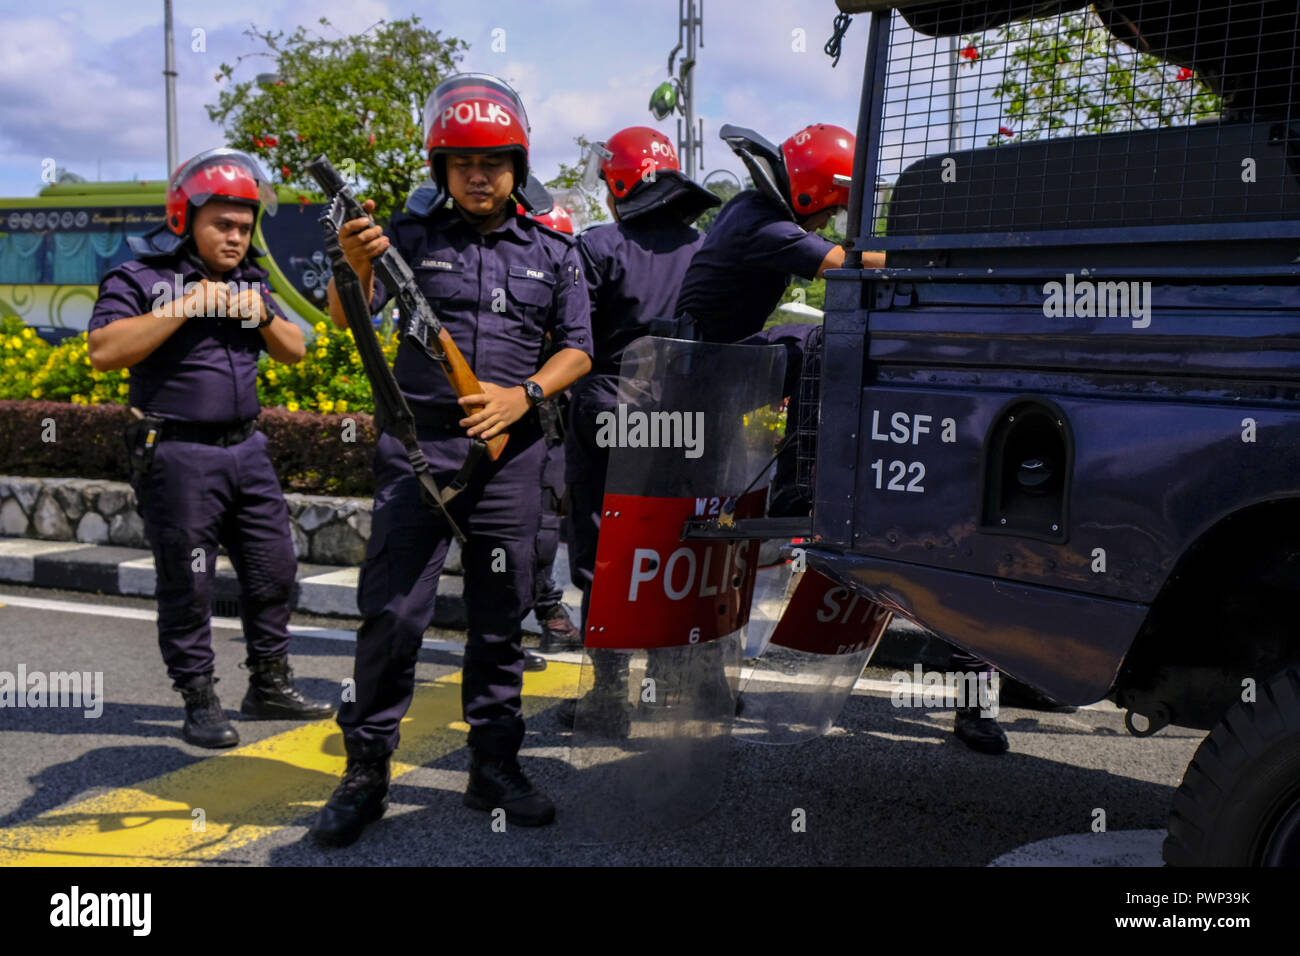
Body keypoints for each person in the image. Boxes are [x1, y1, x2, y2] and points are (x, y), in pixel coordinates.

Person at [311, 73, 593, 847]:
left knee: (500, 619)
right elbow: (349, 319)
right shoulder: (405, 235)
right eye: (462, 161)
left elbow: (579, 350)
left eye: (495, 161)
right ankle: (365, 772)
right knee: (394, 614)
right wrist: (355, 259)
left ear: (517, 165)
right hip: (420, 449)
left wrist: (520, 395)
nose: (479, 174)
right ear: (440, 167)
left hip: (511, 451)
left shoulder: (553, 248)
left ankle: (493, 766)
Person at [676, 122, 1006, 753]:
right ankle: (802, 480)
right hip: (716, 373)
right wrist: (938, 264)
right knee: (813, 341)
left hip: (727, 370)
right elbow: (843, 266)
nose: (831, 217)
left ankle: (975, 704)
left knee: (963, 553)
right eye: (829, 205)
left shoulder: (762, 213)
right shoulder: (759, 222)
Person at [88, 148, 333, 749]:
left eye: (245, 227)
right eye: (222, 224)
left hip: (246, 450)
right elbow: (103, 350)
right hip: (178, 454)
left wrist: (264, 318)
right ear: (185, 219)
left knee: (274, 571)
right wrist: (183, 307)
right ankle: (199, 698)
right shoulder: (140, 276)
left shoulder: (251, 278)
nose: (235, 237)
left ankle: (269, 684)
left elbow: (294, 349)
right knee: (189, 582)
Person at [553, 125, 721, 730]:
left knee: (605, 553)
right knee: (680, 544)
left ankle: (606, 698)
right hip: (687, 424)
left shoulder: (596, 247)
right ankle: (686, 684)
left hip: (609, 422)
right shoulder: (708, 249)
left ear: (617, 184)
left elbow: (572, 339)